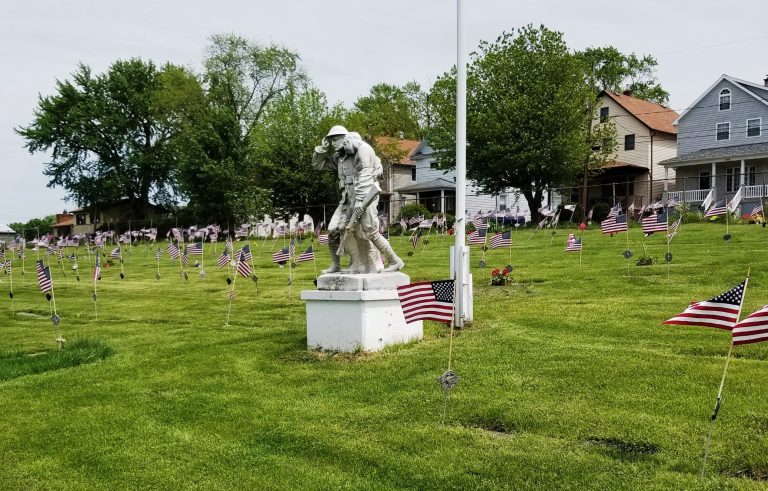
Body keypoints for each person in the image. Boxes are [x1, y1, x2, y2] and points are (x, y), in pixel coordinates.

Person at [312, 126, 404, 274]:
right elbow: (317, 165)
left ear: (345, 138)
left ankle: (394, 260)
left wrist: (360, 202)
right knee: (333, 230)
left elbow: (370, 171)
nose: (333, 143)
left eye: (335, 139)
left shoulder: (361, 150)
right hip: (347, 200)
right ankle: (338, 265)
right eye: (331, 140)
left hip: (365, 196)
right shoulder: (338, 158)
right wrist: (322, 149)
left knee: (370, 231)